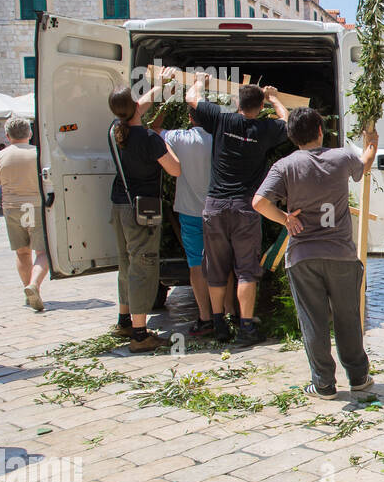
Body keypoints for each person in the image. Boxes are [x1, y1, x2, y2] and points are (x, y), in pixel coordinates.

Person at [253, 109, 379, 399]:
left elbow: (259, 202)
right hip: (342, 255)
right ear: (321, 130)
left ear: (291, 136)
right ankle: (358, 376)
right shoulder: (342, 157)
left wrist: (285, 217)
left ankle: (323, 383)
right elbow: (365, 164)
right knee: (348, 317)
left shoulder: (284, 166)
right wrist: (372, 142)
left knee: (314, 320)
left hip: (303, 256)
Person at [187, 77, 290, 347]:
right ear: (260, 106)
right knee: (246, 269)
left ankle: (219, 322)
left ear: (237, 103)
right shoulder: (264, 129)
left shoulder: (222, 120)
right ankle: (246, 328)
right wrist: (274, 97)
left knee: (216, 267)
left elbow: (191, 99)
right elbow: (289, 123)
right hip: (246, 207)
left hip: (216, 206)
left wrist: (199, 82)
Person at [108, 80, 182, 352]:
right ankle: (140, 335)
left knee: (126, 262)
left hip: (118, 204)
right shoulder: (149, 139)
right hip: (141, 210)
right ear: (134, 107)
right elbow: (175, 170)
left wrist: (162, 84)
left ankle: (124, 320)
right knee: (143, 265)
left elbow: (138, 107)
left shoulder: (115, 129)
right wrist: (164, 140)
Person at [150, 98, 218, 339]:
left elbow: (153, 129)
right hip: (218, 210)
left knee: (196, 265)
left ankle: (205, 317)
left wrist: (167, 102)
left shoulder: (178, 138)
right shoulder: (220, 137)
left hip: (189, 212)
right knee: (222, 263)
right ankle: (227, 315)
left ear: (190, 118)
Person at [0, 117, 49, 310]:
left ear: (7, 136)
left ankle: (28, 292)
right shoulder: (39, 154)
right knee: (43, 252)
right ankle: (34, 284)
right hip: (37, 206)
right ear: (29, 133)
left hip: (12, 207)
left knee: (22, 252)